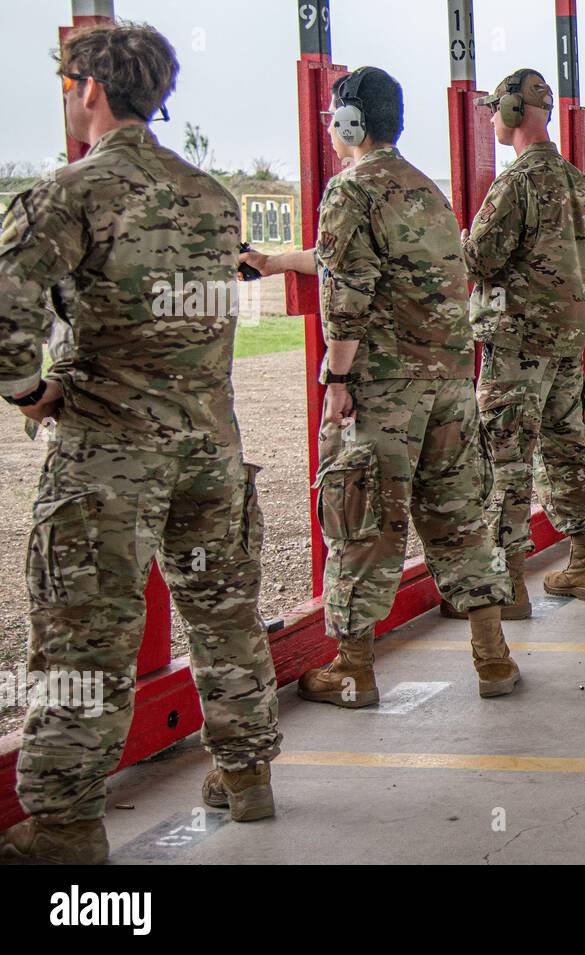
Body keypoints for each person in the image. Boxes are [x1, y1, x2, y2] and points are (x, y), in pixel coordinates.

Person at [0, 22, 281, 864]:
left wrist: (31, 392)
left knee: (86, 631)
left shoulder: (71, 194)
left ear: (90, 87)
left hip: (109, 453)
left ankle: (66, 824)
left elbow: (4, 321)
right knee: (224, 609)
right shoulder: (212, 197)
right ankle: (247, 775)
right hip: (210, 445)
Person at [244, 67, 518, 701]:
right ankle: (493, 658)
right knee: (460, 519)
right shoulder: (427, 191)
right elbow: (349, 260)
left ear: (349, 124)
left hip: (384, 389)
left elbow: (348, 290)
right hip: (448, 383)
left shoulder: (350, 191)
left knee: (362, 521)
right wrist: (274, 261)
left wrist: (338, 376)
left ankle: (354, 668)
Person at [461, 69, 585, 598]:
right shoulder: (576, 181)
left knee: (505, 459)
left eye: (494, 110)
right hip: (567, 343)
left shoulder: (516, 183)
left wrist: (455, 238)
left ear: (510, 112)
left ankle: (507, 586)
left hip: (515, 345)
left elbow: (479, 256)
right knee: (567, 452)